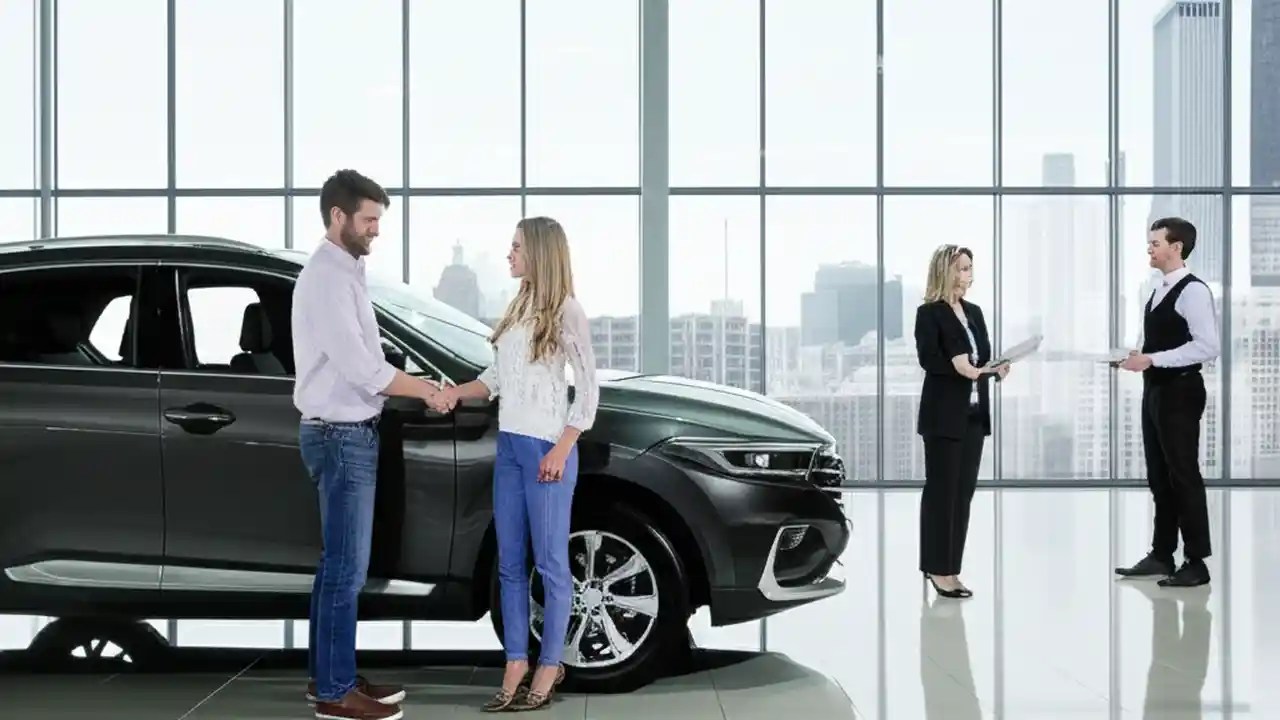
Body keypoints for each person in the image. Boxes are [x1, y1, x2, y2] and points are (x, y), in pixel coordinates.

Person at [293, 169, 449, 720]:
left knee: (336, 566)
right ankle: (335, 693)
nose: (376, 230)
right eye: (369, 220)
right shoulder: (328, 279)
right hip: (340, 435)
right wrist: (428, 390)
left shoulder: (347, 271)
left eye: (379, 220)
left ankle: (329, 678)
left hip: (346, 433)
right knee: (344, 570)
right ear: (338, 216)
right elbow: (363, 368)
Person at [436, 216, 599, 712]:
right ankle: (515, 661)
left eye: (516, 248)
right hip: (509, 446)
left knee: (550, 565)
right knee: (509, 563)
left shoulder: (567, 311)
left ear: (541, 253)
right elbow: (496, 378)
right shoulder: (519, 307)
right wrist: (452, 395)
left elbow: (589, 388)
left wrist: (562, 446)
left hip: (547, 450)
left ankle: (550, 664)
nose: (508, 255)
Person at [1115, 217, 1219, 588]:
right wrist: (1140, 355)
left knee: (1184, 475)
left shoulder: (1193, 291)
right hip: (1156, 390)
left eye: (1156, 242)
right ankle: (1162, 554)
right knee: (1160, 475)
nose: (1150, 247)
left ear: (1177, 247)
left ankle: (1197, 561)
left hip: (1181, 391)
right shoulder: (1158, 289)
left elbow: (1207, 347)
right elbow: (1163, 344)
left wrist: (1153, 359)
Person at [913, 245, 1008, 599]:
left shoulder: (975, 313)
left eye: (971, 267)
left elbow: (979, 359)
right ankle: (938, 569)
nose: (970, 274)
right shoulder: (930, 313)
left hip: (973, 416)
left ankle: (953, 568)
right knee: (941, 495)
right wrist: (960, 365)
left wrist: (993, 369)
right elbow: (930, 360)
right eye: (964, 268)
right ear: (947, 271)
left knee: (962, 496)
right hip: (943, 416)